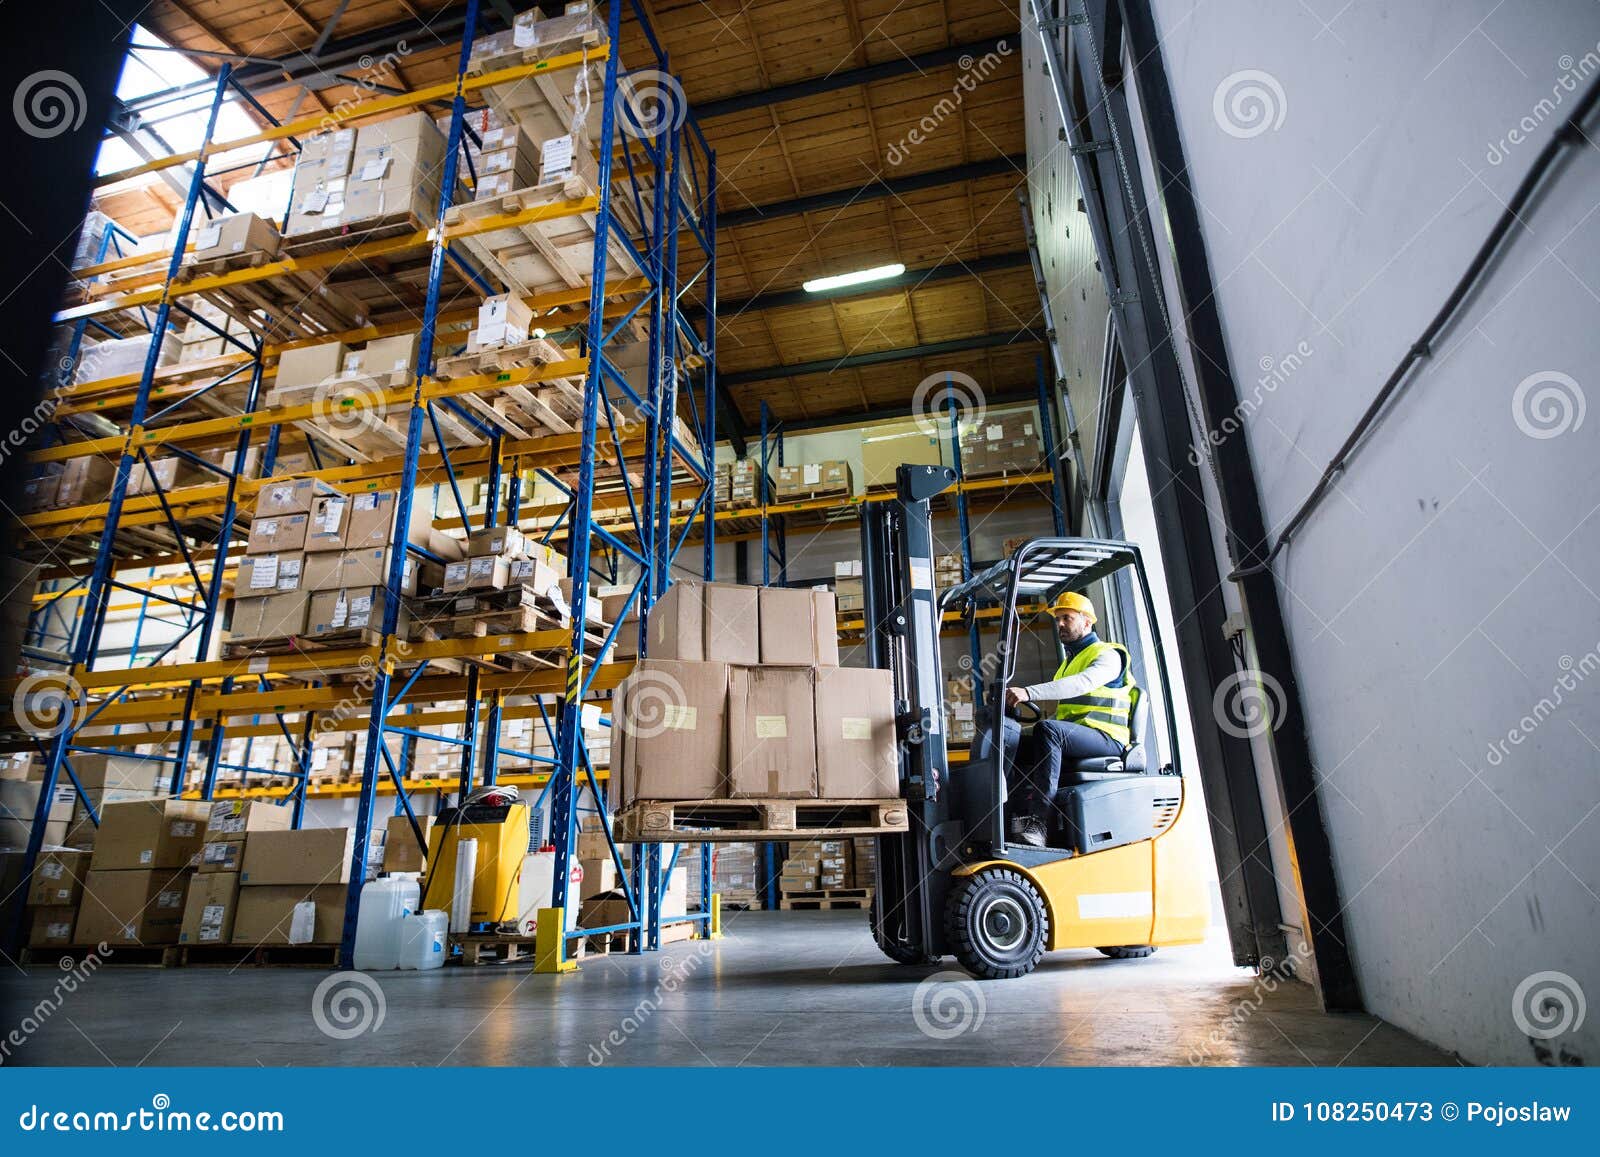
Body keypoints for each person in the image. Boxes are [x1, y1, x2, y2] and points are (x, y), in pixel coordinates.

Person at [1003, 591, 1136, 847]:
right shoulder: (1068, 663)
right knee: (1018, 742)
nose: (1061, 624)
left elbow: (1082, 684)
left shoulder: (1108, 655)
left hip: (1108, 740)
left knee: (1048, 730)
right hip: (1080, 736)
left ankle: (1040, 823)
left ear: (1087, 621)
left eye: (1067, 617)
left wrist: (1029, 692)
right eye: (1058, 619)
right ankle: (1016, 820)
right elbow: (1066, 713)